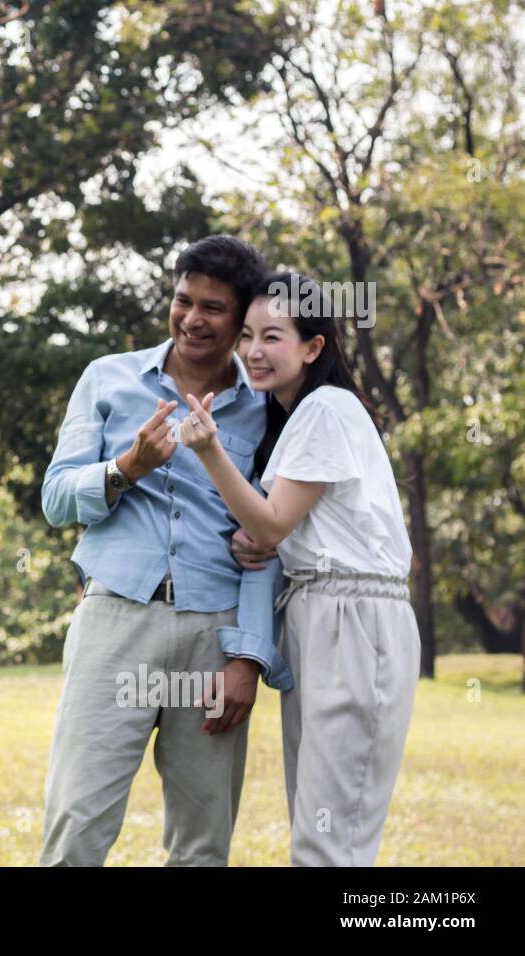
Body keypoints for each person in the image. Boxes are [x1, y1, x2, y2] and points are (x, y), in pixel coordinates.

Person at [39, 235, 288, 867]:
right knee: (78, 819)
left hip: (215, 635)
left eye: (212, 308)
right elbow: (57, 498)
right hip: (115, 622)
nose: (192, 319)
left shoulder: (268, 410)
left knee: (203, 841)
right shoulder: (108, 378)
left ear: (241, 320)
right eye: (183, 300)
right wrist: (127, 467)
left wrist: (249, 660)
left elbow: (269, 540)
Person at [177, 271, 419, 866]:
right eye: (249, 336)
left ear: (313, 347)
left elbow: (273, 522)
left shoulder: (327, 409)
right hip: (317, 613)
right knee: (316, 825)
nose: (254, 352)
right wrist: (260, 538)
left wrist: (210, 453)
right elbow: (276, 528)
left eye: (274, 337)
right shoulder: (298, 419)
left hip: (355, 617)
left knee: (330, 840)